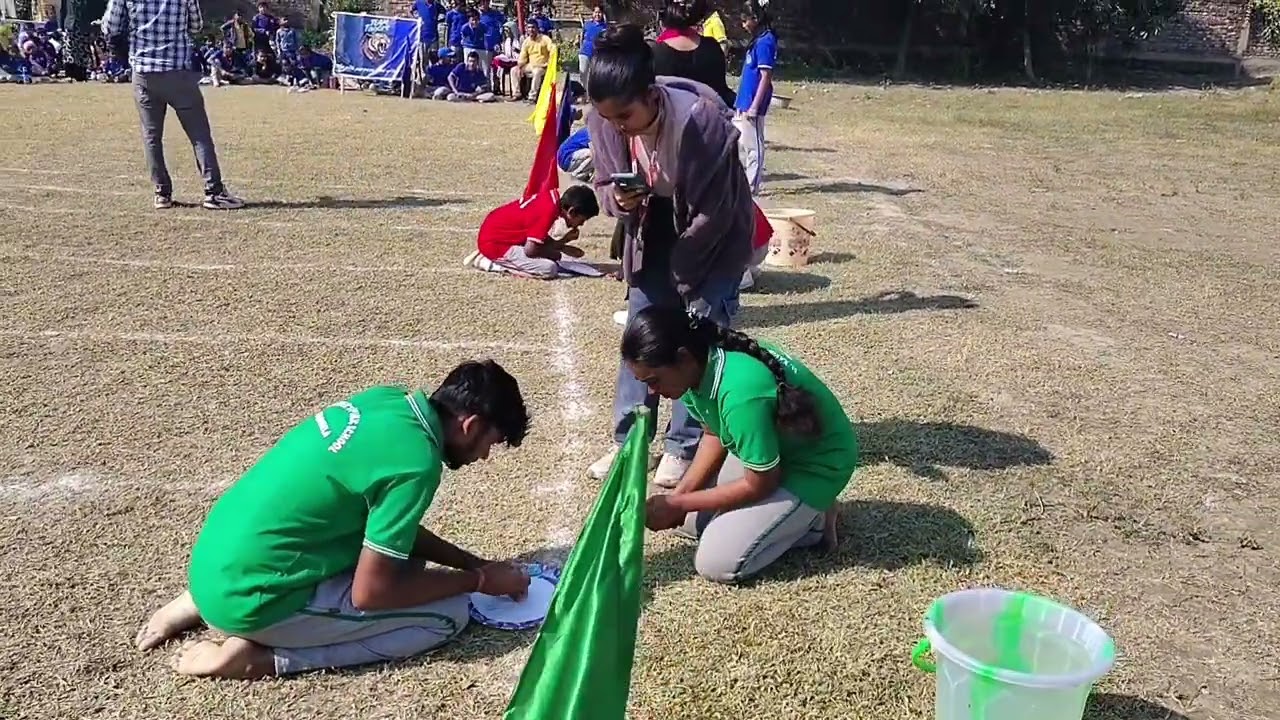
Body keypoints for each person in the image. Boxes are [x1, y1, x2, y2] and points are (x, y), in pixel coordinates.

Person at [133, 362, 535, 678]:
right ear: (471, 425)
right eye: (491, 443)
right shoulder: (417, 464)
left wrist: (472, 563)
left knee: (406, 563)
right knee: (449, 616)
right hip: (252, 597)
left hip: (219, 561)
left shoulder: (386, 401)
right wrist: (478, 582)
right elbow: (370, 595)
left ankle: (198, 601)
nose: (484, 456)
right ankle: (262, 659)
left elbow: (394, 532)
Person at [584, 25, 755, 487]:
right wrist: (619, 201)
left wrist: (684, 278)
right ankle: (630, 442)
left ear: (651, 94)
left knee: (696, 338)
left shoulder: (701, 123)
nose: (618, 126)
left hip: (712, 235)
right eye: (608, 117)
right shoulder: (603, 118)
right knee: (642, 335)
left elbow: (715, 214)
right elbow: (603, 183)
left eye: (626, 114)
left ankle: (684, 445)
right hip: (652, 226)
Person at [622, 306, 857, 583]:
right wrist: (681, 498)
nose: (652, 391)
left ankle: (814, 522)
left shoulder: (740, 393)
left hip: (814, 467)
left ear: (683, 357)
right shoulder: (695, 370)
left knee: (715, 562)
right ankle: (789, 517)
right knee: (690, 524)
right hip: (777, 452)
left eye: (653, 380)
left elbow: (760, 483)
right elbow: (714, 433)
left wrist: (680, 502)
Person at [104, 0, 243, 210]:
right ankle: (213, 192)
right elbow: (196, 25)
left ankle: (162, 193)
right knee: (199, 135)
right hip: (178, 71)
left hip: (144, 73)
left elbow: (111, 27)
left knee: (151, 136)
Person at [465, 185, 599, 279]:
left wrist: (564, 244)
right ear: (572, 211)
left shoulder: (551, 201)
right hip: (496, 245)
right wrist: (557, 255)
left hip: (499, 236)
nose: (581, 224)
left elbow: (538, 238)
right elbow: (531, 250)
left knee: (549, 260)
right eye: (582, 219)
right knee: (549, 269)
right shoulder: (547, 211)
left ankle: (493, 257)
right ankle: (491, 263)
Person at [652, 0, 735, 110]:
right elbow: (722, 91)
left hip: (672, 119)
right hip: (711, 117)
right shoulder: (712, 48)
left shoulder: (653, 53)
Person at [734, 1, 776, 196]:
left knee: (754, 146)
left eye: (746, 21)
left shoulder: (766, 41)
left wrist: (754, 106)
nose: (743, 25)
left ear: (756, 18)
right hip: (745, 100)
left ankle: (752, 186)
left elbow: (765, 77)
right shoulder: (757, 41)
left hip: (754, 103)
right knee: (743, 144)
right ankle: (745, 183)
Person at [515, 19, 553, 102]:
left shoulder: (545, 39)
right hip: (531, 65)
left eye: (533, 27)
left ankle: (532, 96)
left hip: (542, 66)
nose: (531, 30)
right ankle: (517, 94)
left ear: (537, 28)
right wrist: (520, 66)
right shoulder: (526, 41)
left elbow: (552, 49)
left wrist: (550, 61)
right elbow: (523, 55)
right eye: (529, 28)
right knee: (514, 70)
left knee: (537, 72)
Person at [579, 5, 606, 84]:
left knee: (595, 76)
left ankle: (592, 91)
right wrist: (581, 48)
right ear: (593, 13)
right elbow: (581, 37)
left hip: (597, 55)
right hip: (585, 53)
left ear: (602, 14)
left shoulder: (605, 27)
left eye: (599, 12)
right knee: (583, 75)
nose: (597, 14)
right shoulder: (587, 24)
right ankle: (583, 91)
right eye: (596, 12)